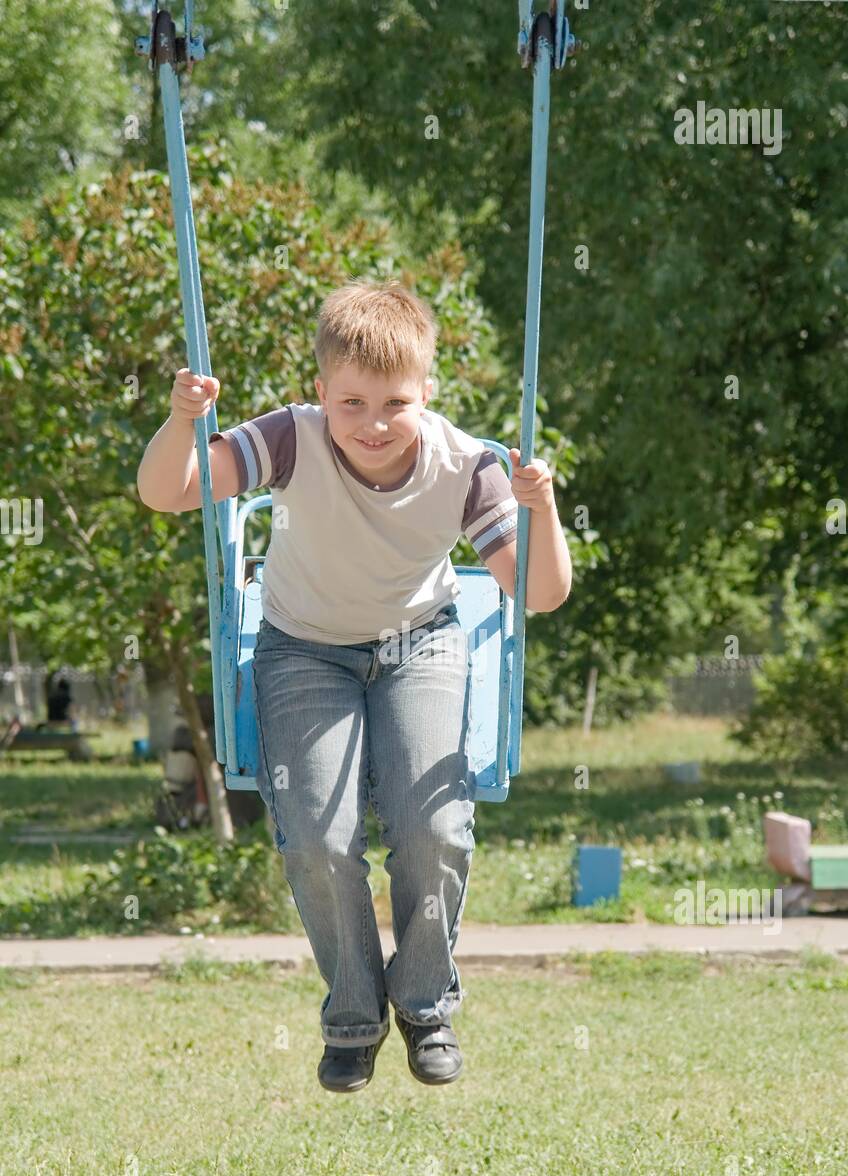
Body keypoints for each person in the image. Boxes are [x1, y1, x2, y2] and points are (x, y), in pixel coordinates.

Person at [137, 277, 572, 1093]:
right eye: (351, 402)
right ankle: (354, 1016)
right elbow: (169, 492)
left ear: (428, 393)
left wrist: (540, 509)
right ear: (320, 393)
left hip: (421, 644)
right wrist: (184, 421)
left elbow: (539, 592)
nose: (372, 424)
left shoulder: (466, 464)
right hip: (303, 646)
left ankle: (422, 1005)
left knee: (434, 825)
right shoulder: (293, 440)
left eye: (395, 403)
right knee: (315, 837)